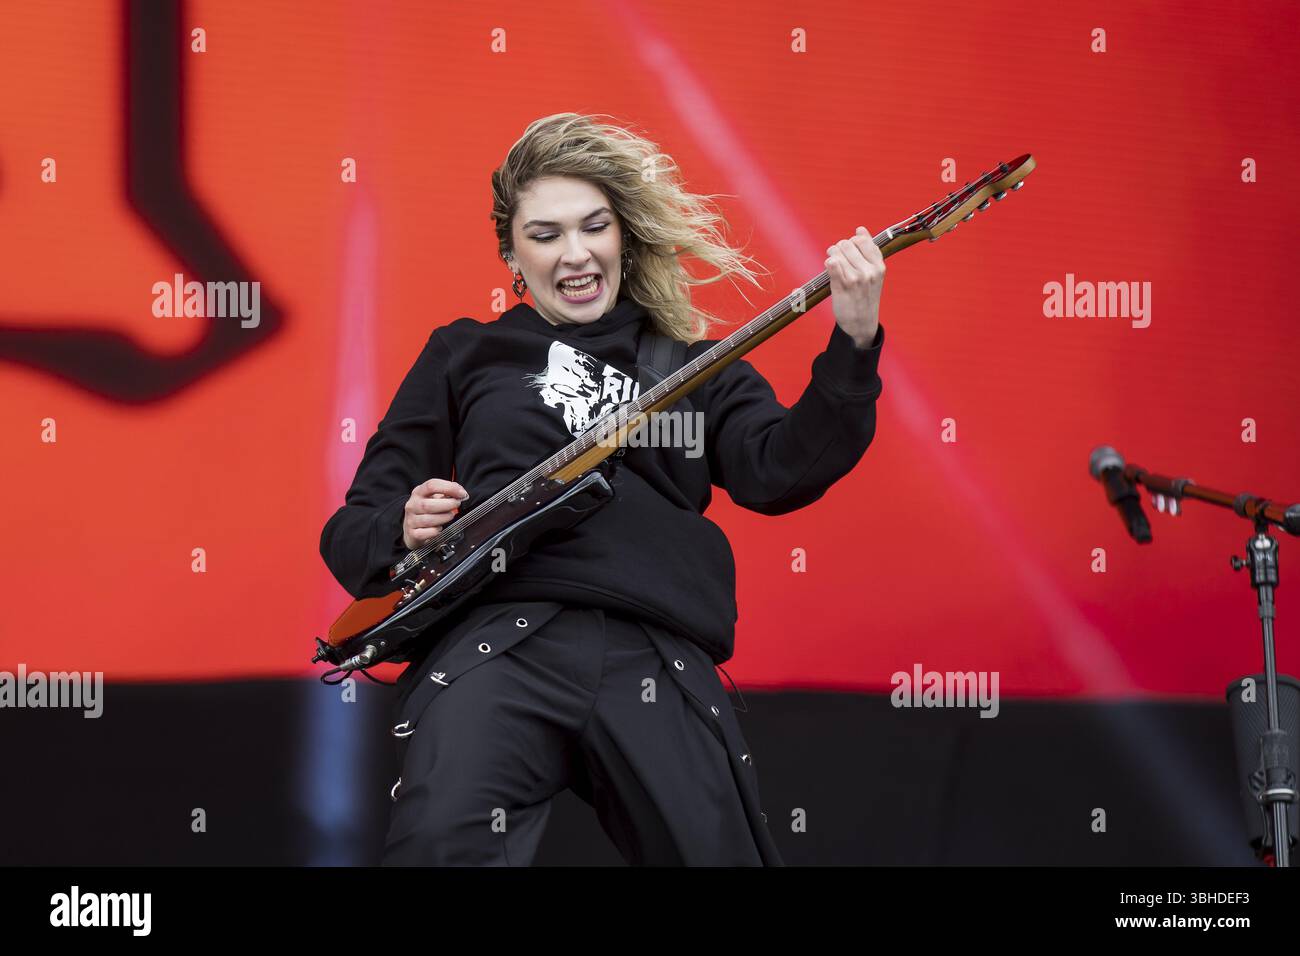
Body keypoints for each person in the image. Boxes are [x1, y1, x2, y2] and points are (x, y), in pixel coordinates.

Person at [319, 112, 887, 866]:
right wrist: (404, 523)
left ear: (624, 235)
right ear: (510, 253)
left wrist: (854, 343)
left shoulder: (694, 363)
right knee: (439, 849)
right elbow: (352, 530)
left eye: (594, 227)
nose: (576, 254)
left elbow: (780, 470)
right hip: (499, 645)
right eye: (546, 234)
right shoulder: (467, 352)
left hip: (654, 658)